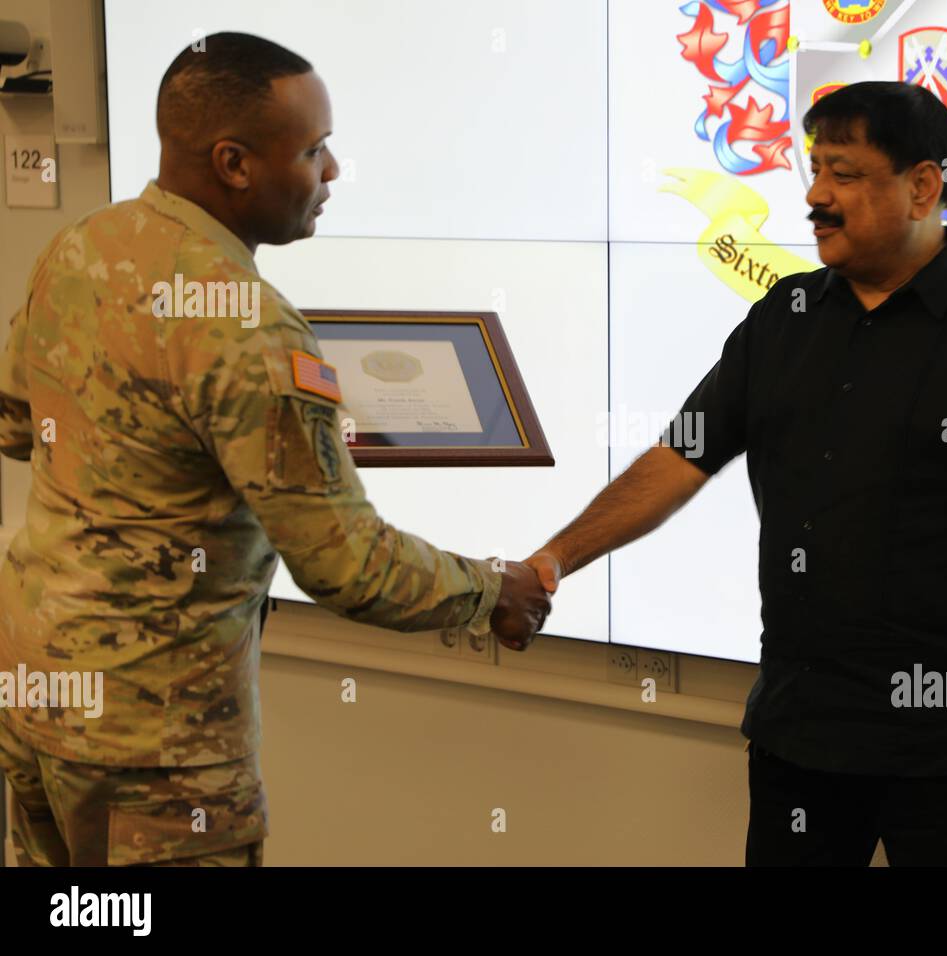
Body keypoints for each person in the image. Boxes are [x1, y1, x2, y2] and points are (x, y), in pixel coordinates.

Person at [525, 82, 947, 866]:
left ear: (923, 186)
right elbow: (677, 458)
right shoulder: (782, 317)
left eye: (843, 173)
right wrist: (553, 560)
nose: (815, 195)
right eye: (813, 169)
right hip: (799, 736)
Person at [0, 33, 550, 867]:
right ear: (234, 163)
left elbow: (13, 422)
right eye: (314, 150)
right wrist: (493, 590)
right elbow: (349, 567)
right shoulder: (249, 326)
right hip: (158, 749)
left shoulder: (83, 246)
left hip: (39, 699)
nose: (331, 172)